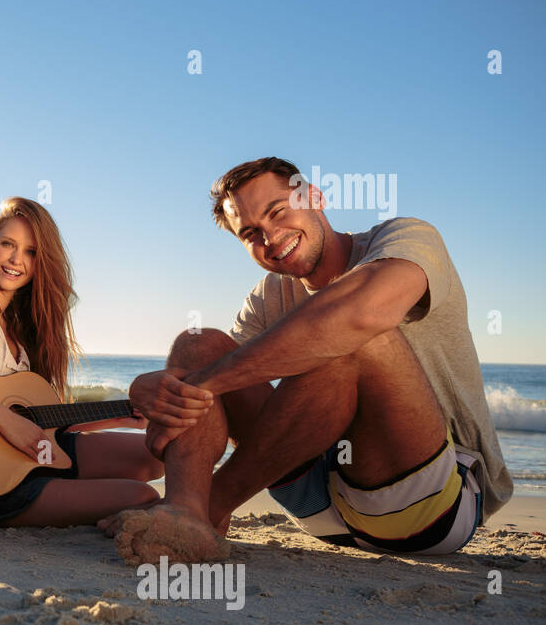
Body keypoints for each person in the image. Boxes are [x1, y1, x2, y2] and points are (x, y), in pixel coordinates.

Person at [102, 156, 512, 562]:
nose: (271, 236)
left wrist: (202, 382)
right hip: (316, 507)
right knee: (199, 345)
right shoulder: (268, 296)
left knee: (351, 338)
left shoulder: (405, 238)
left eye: (277, 211)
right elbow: (213, 387)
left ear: (314, 196)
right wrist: (149, 388)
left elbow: (360, 314)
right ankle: (185, 509)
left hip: (421, 504)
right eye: (250, 233)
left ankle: (208, 510)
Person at [0, 198, 161, 526]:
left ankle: (73, 491)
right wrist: (6, 421)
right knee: (142, 497)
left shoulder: (18, 325)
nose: (15, 259)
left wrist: (121, 416)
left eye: (30, 251)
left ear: (42, 261)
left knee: (156, 456)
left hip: (33, 456)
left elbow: (37, 422)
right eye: (8, 244)